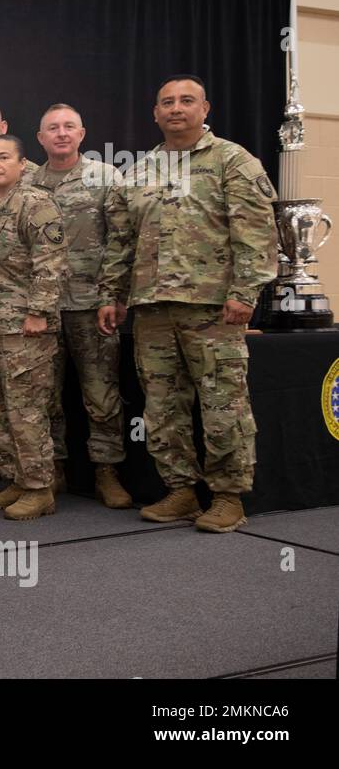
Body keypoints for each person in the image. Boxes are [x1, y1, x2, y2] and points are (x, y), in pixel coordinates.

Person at [99, 75, 276, 533]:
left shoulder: (232, 161)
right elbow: (121, 240)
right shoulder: (139, 171)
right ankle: (180, 490)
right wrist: (113, 296)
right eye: (167, 102)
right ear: (155, 113)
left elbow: (256, 233)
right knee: (162, 406)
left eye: (186, 101)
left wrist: (244, 293)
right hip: (152, 308)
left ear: (205, 108)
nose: (176, 108)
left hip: (212, 308)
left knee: (222, 404)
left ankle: (227, 496)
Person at [30, 104, 131, 508]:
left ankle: (107, 472)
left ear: (82, 133)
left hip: (92, 305)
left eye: (69, 127)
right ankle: (52, 471)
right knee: (42, 395)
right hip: (42, 307)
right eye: (52, 128)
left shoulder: (105, 178)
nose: (61, 134)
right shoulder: (28, 183)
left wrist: (113, 295)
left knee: (101, 393)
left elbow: (122, 241)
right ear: (40, 138)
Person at [0, 134, 66, 521]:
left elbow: (51, 260)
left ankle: (41, 487)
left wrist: (39, 311)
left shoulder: (36, 203)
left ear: (23, 164)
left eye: (4, 157)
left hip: (25, 326)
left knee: (26, 409)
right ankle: (17, 480)